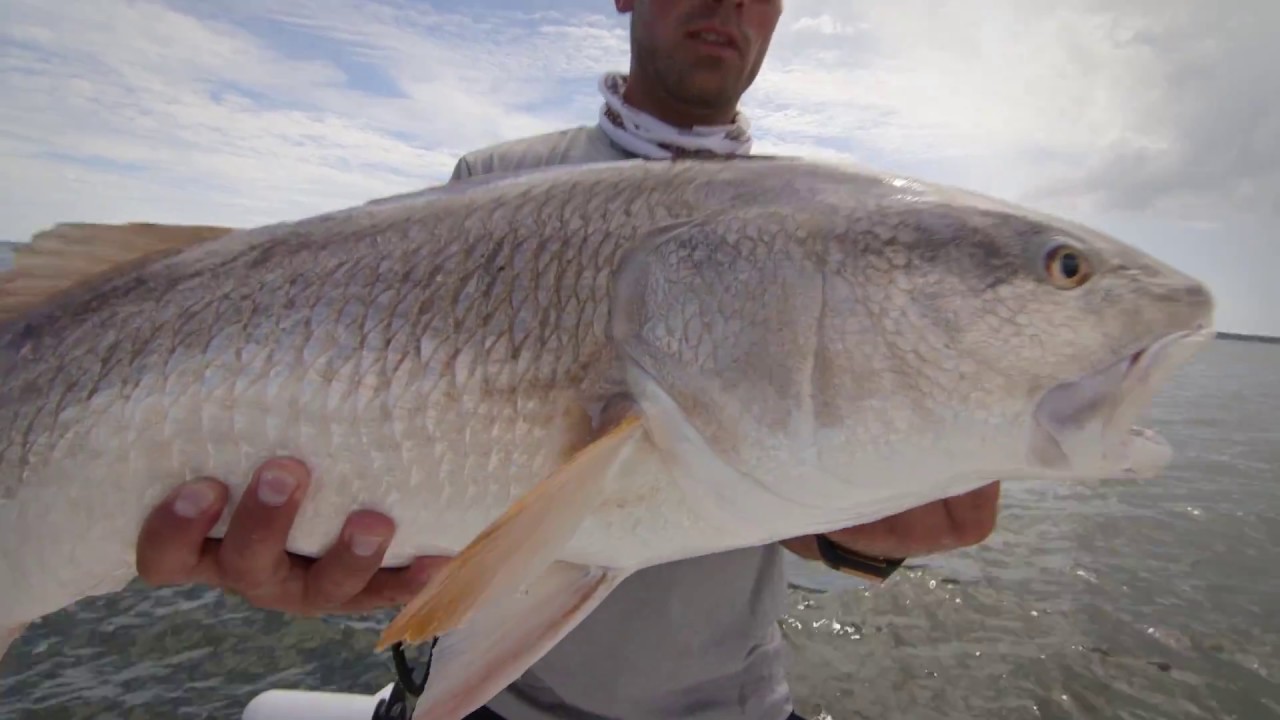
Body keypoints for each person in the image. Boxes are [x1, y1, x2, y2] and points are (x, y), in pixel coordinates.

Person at [134, 1, 1001, 718]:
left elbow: (754, 488)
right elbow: (423, 435)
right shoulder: (492, 182)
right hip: (500, 698)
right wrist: (331, 526)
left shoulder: (824, 237)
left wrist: (866, 531)